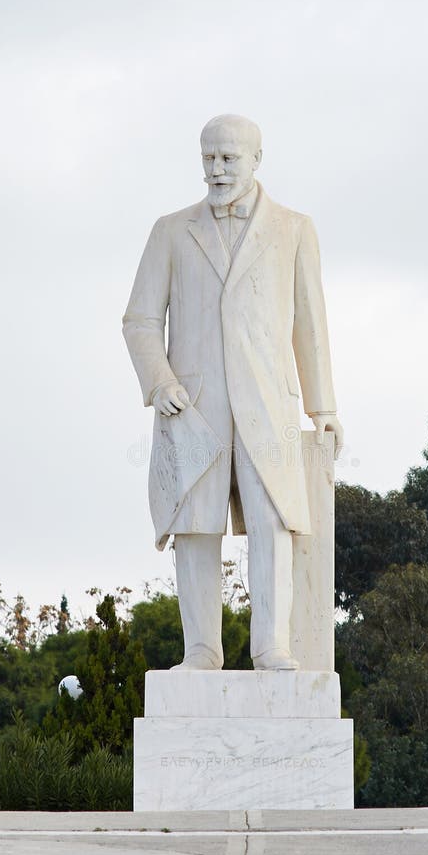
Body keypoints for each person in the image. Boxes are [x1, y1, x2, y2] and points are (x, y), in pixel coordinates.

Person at [123, 114, 343, 671]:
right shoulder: (171, 231)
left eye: (228, 158)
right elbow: (140, 321)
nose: (216, 169)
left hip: (268, 403)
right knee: (195, 526)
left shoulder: (294, 229)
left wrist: (323, 406)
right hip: (193, 407)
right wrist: (160, 382)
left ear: (256, 160)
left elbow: (310, 327)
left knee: (273, 521)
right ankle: (201, 649)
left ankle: (271, 645)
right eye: (208, 158)